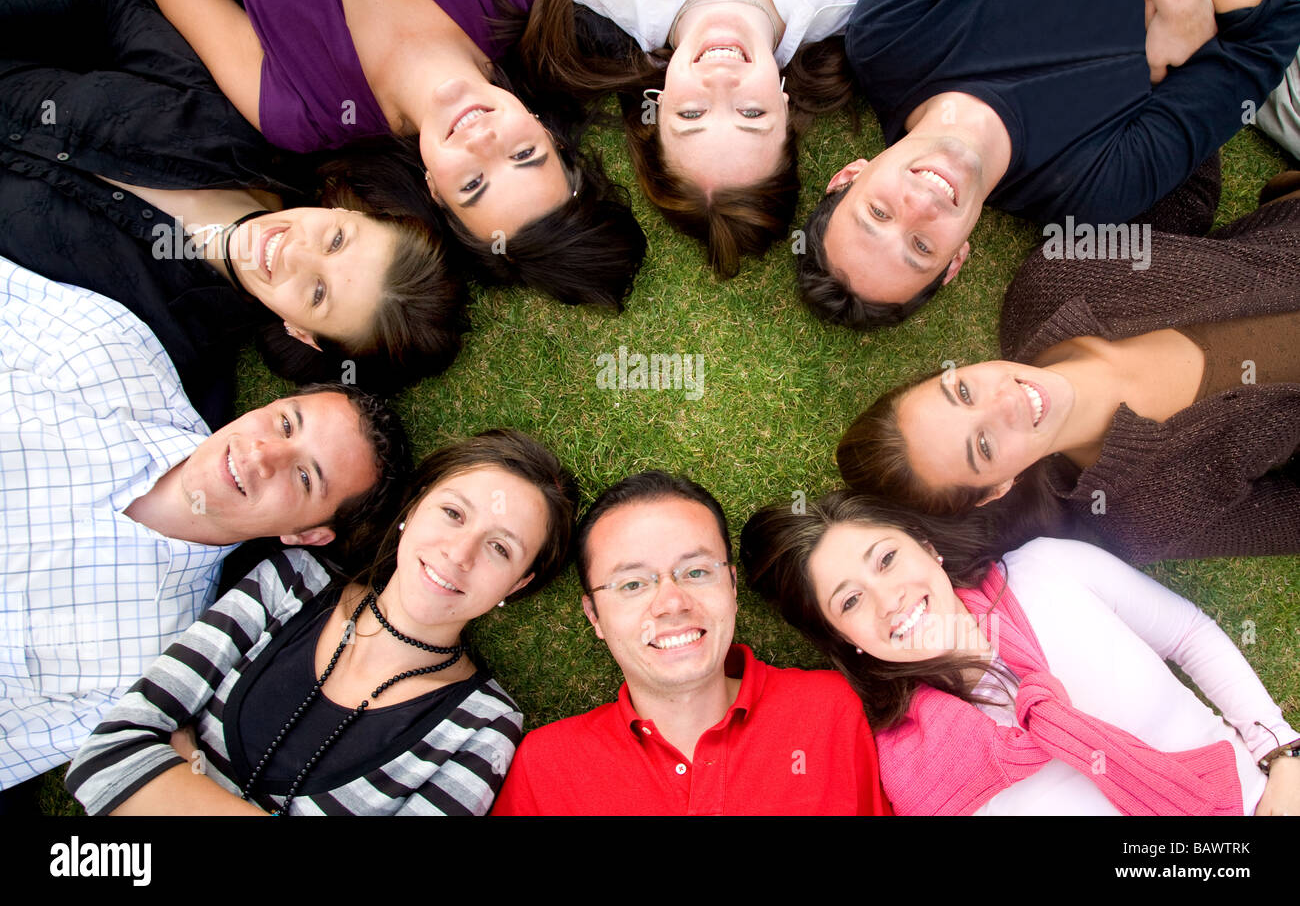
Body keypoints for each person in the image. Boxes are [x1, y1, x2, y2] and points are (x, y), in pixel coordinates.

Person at [0, 0, 468, 424]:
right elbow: (108, 13)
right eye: (335, 241)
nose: (294, 252)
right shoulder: (241, 123)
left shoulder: (163, 341)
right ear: (346, 212)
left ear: (301, 333)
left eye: (318, 294)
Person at [0, 255, 410, 800]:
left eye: (304, 477)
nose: (263, 455)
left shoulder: (144, 664)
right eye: (285, 423)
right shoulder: (112, 355)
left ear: (307, 535)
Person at [66, 430, 579, 816]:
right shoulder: (289, 585)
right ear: (413, 507)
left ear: (516, 584)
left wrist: (176, 769)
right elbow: (103, 761)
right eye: (452, 513)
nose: (459, 553)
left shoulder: (483, 728)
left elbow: (130, 771)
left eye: (499, 548)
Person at [799, 0, 1300, 328]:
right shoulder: (1099, 188)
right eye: (922, 247)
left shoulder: (888, 38)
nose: (922, 209)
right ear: (956, 262)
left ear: (848, 176)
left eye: (878, 212)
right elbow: (1274, 25)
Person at [138, 0, 646, 309]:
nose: (483, 142)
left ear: (434, 192)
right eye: (522, 155)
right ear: (544, 128)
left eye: (473, 184)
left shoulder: (305, 114)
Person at [740, 492, 1300, 815]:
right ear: (845, 639)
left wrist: (1283, 757)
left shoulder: (1047, 569)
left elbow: (1188, 635)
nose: (890, 600)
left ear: (928, 548)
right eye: (852, 600)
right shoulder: (909, 766)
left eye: (886, 559)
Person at [835, 188, 1300, 565]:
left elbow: (1184, 196)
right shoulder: (1148, 516)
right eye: (983, 445)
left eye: (962, 391)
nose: (1005, 404)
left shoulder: (1056, 281)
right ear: (997, 489)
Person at [491, 470, 893, 815]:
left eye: (697, 572)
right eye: (632, 583)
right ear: (594, 615)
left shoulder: (833, 709)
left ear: (733, 586)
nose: (671, 603)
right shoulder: (544, 768)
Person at [516, 0, 891, 277]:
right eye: (752, 113)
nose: (721, 80)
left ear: (658, 107)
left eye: (691, 114)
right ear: (783, 104)